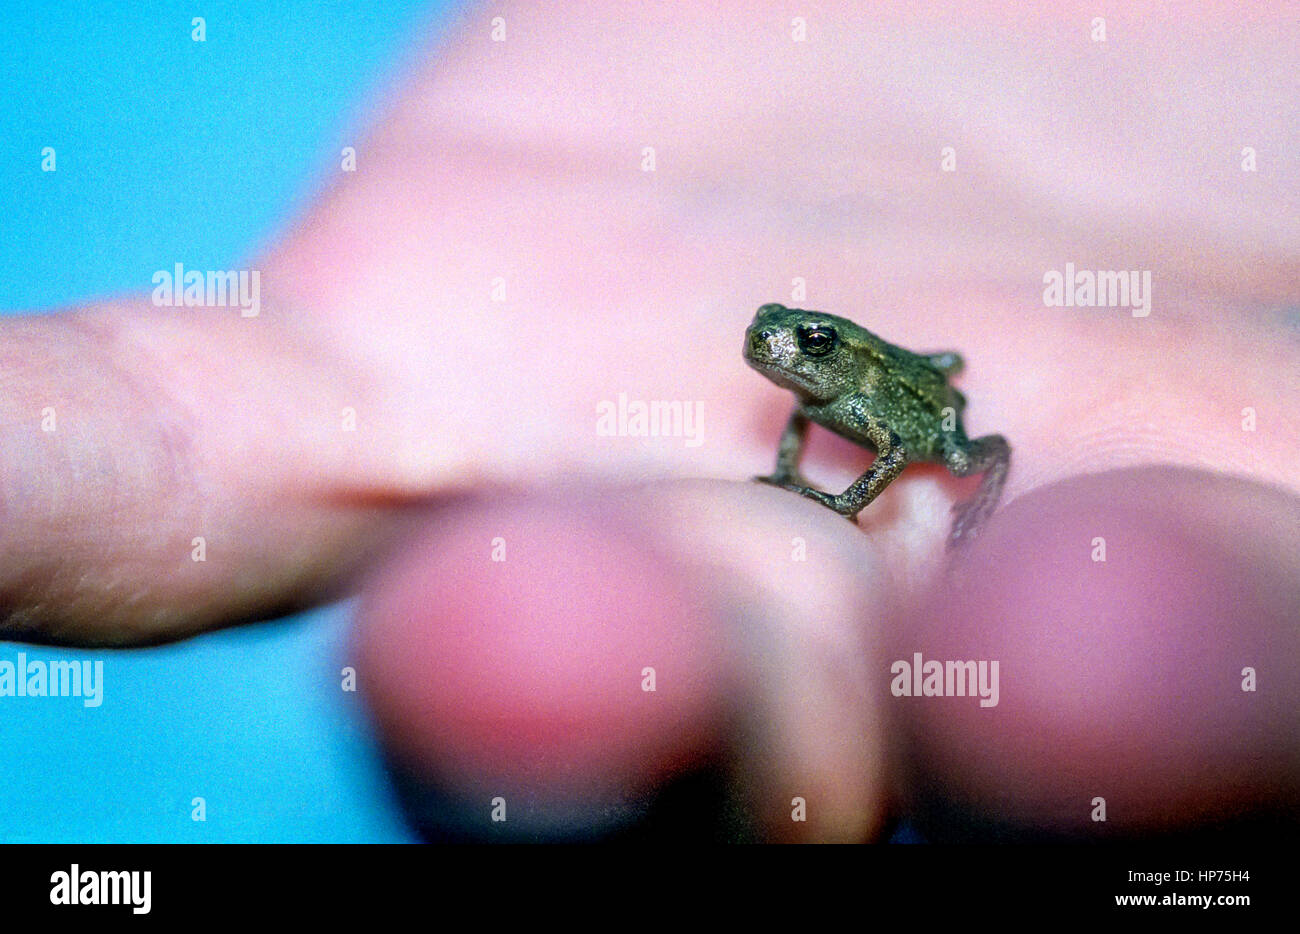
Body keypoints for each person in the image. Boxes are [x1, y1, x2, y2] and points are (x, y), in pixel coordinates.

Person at [3, 1, 1296, 841]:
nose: (783, 362)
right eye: (782, 348)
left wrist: (865, 494)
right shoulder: (803, 394)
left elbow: (911, 439)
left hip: (929, 401)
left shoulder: (866, 393)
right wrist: (803, 471)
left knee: (1068, 594)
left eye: (801, 349)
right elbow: (803, 426)